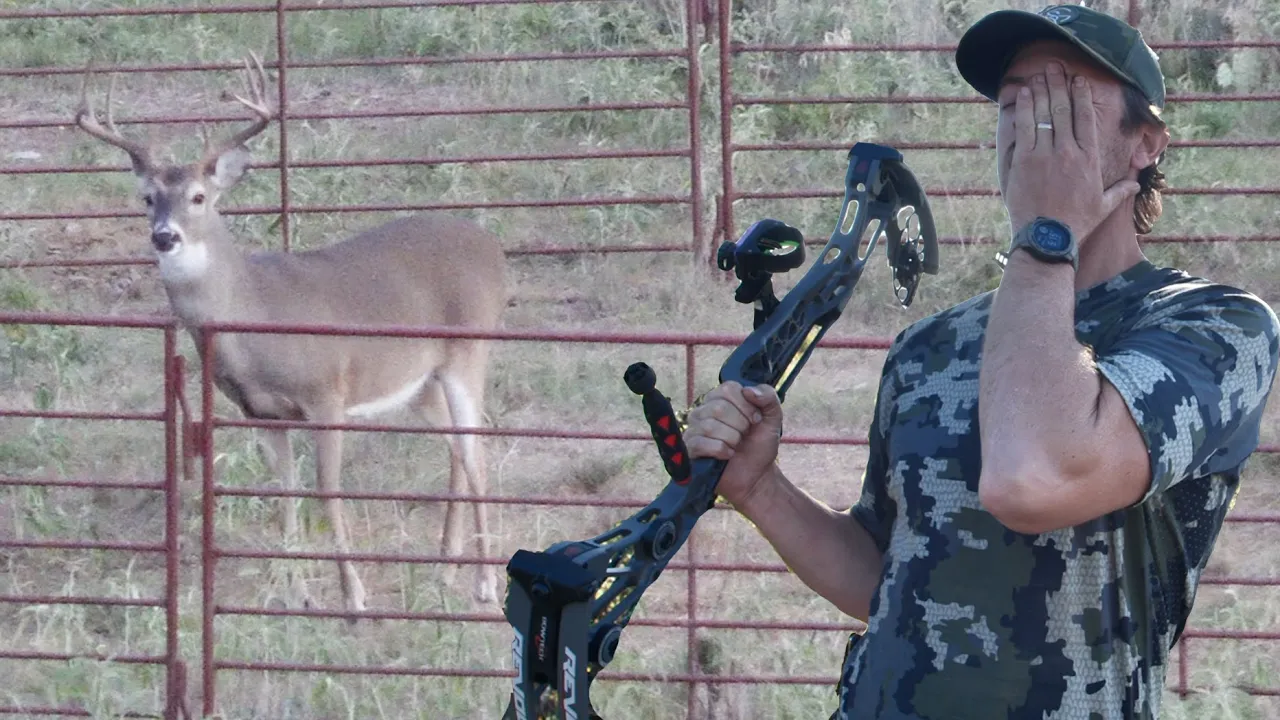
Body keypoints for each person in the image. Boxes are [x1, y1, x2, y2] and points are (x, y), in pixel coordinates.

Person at [683, 5, 1280, 719]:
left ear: (1146, 143)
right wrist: (762, 490)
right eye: (1014, 103)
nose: (1033, 130)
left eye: (1063, 100)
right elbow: (887, 578)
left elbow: (1034, 475)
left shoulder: (1213, 326)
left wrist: (1044, 234)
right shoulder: (931, 345)